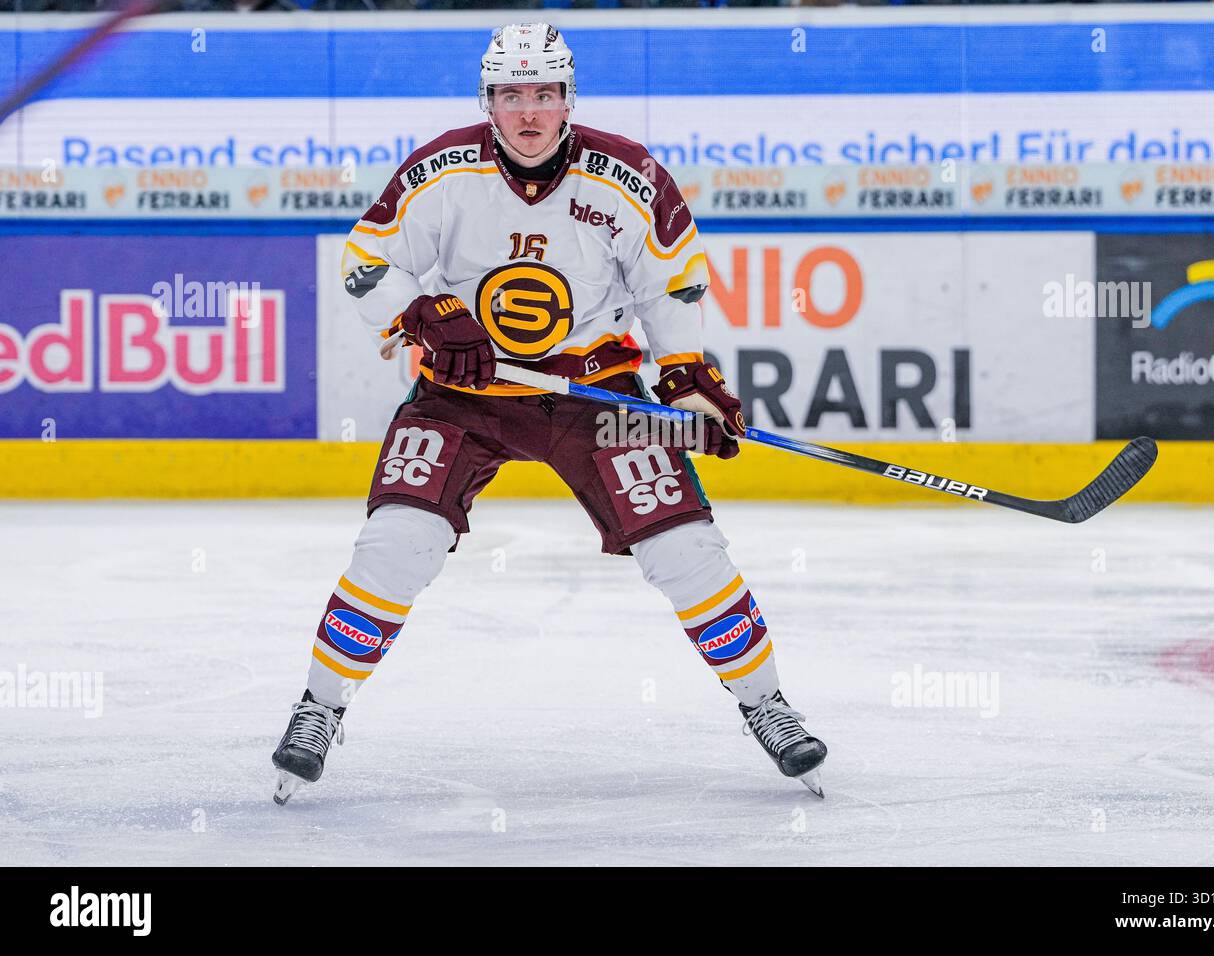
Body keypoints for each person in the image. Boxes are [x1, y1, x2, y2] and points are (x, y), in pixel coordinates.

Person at [271, 23, 827, 805]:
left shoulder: (628, 174)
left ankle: (766, 704)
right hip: (463, 397)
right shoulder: (443, 169)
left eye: (543, 94)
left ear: (568, 99)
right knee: (396, 544)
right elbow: (366, 261)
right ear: (488, 102)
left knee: (687, 549)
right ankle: (318, 709)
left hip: (593, 397)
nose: (527, 111)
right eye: (510, 95)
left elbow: (671, 284)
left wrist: (686, 378)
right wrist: (424, 314)